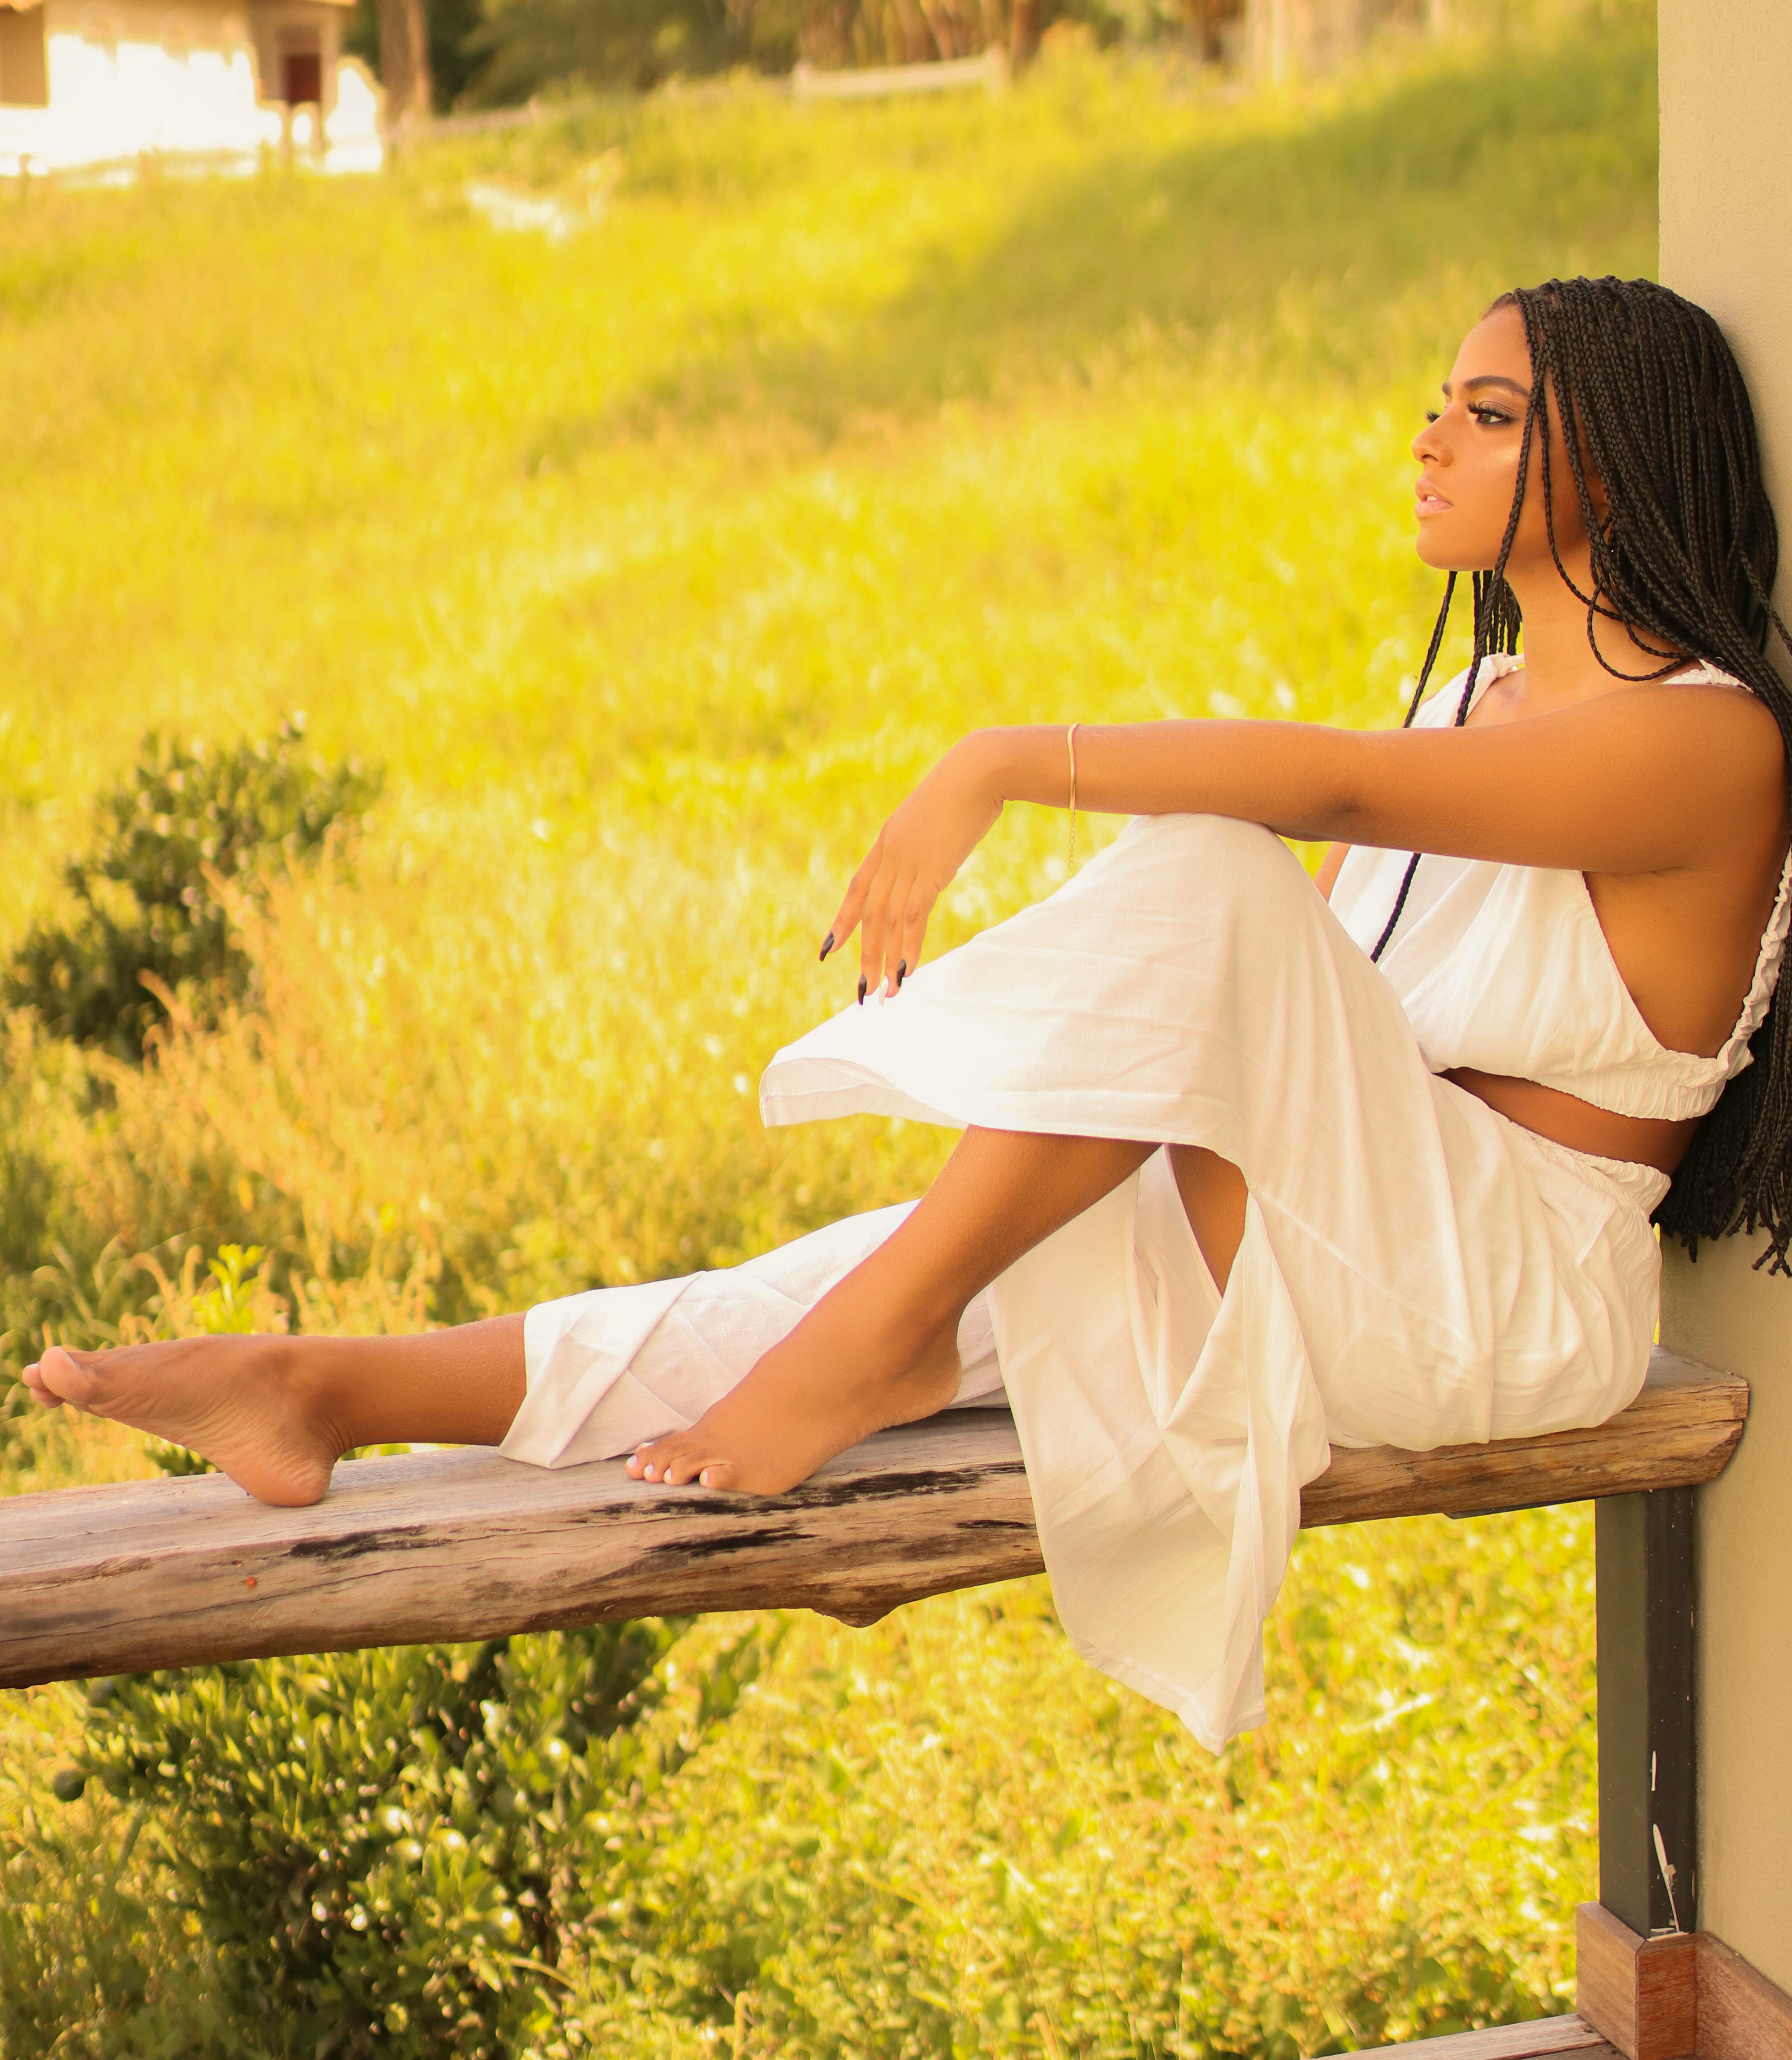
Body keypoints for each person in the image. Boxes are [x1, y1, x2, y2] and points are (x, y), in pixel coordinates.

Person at [25, 276, 1792, 1748]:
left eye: (1486, 413)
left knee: (1208, 883)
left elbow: (1308, 811)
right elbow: (1278, 1026)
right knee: (819, 1290)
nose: (1427, 435)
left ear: (1621, 463)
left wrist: (1003, 759)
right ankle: (320, 1388)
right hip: (1341, 1239)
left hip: (1499, 1295)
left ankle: (886, 1335)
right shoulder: (1474, 705)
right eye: (1440, 400)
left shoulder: (1707, 745)